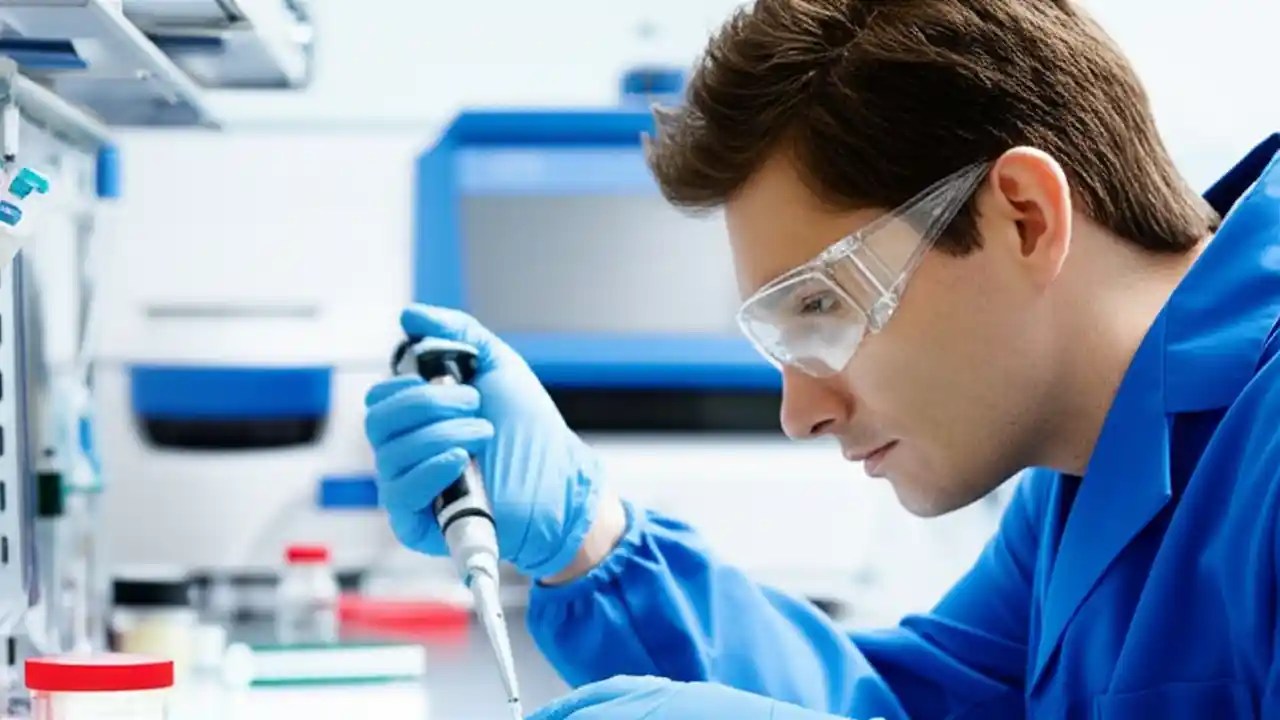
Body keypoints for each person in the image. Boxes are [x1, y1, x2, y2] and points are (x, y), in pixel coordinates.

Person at [363, 0, 1280, 717]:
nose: (800, 414)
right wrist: (592, 543)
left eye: (822, 308)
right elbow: (898, 709)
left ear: (1024, 219)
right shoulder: (1079, 474)